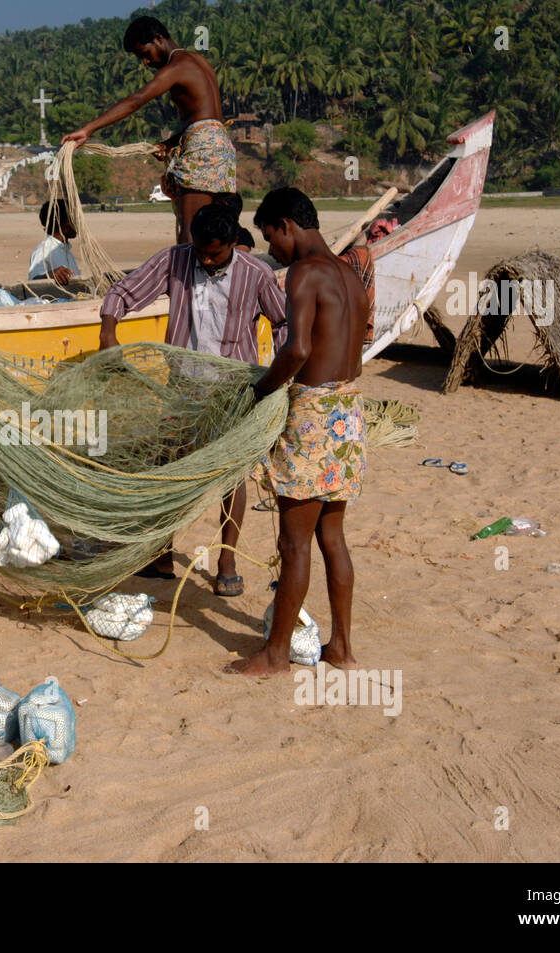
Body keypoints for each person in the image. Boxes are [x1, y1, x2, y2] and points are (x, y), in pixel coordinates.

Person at [99, 204, 286, 596]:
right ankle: (163, 554)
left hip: (234, 394)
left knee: (232, 477)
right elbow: (123, 291)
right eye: (200, 250)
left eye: (214, 253)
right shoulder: (175, 260)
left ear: (234, 243)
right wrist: (109, 331)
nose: (205, 258)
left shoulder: (257, 274)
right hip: (181, 390)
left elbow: (284, 323)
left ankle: (226, 561)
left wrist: (278, 379)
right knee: (169, 469)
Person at [231, 188, 368, 677]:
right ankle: (342, 648)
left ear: (287, 225)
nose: (272, 251)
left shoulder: (305, 273)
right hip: (348, 413)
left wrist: (259, 393)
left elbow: (297, 350)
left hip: (312, 417)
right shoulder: (350, 273)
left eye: (271, 239)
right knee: (333, 536)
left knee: (294, 543)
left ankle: (274, 653)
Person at [61, 15, 235, 243]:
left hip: (203, 148)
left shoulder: (177, 66)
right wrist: (170, 143)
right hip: (221, 147)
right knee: (217, 231)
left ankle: (185, 279)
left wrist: (88, 129)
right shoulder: (199, 61)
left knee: (192, 233)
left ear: (158, 38)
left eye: (145, 54)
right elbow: (206, 120)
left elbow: (138, 99)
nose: (145, 63)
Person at [29, 199, 81, 284]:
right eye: (73, 220)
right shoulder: (44, 250)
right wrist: (50, 275)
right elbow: (33, 281)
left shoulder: (67, 253)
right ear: (63, 226)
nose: (77, 224)